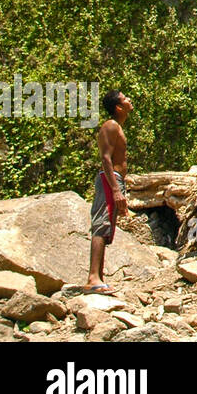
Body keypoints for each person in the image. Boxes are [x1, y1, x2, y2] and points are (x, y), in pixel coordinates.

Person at [84, 89, 132, 294]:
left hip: (115, 180)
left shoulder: (117, 127)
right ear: (118, 107)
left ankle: (99, 278)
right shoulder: (110, 126)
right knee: (101, 224)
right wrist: (115, 189)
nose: (130, 99)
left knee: (107, 226)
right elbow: (106, 158)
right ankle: (93, 277)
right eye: (125, 98)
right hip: (109, 179)